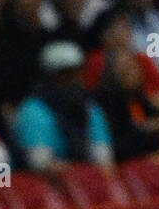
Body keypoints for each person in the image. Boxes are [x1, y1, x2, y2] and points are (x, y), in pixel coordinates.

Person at [13, 41, 116, 176]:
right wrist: (83, 173)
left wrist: (89, 174)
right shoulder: (33, 110)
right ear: (49, 77)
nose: (74, 80)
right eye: (65, 74)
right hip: (44, 188)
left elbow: (105, 162)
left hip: (85, 183)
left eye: (76, 72)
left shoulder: (90, 108)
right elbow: (41, 165)